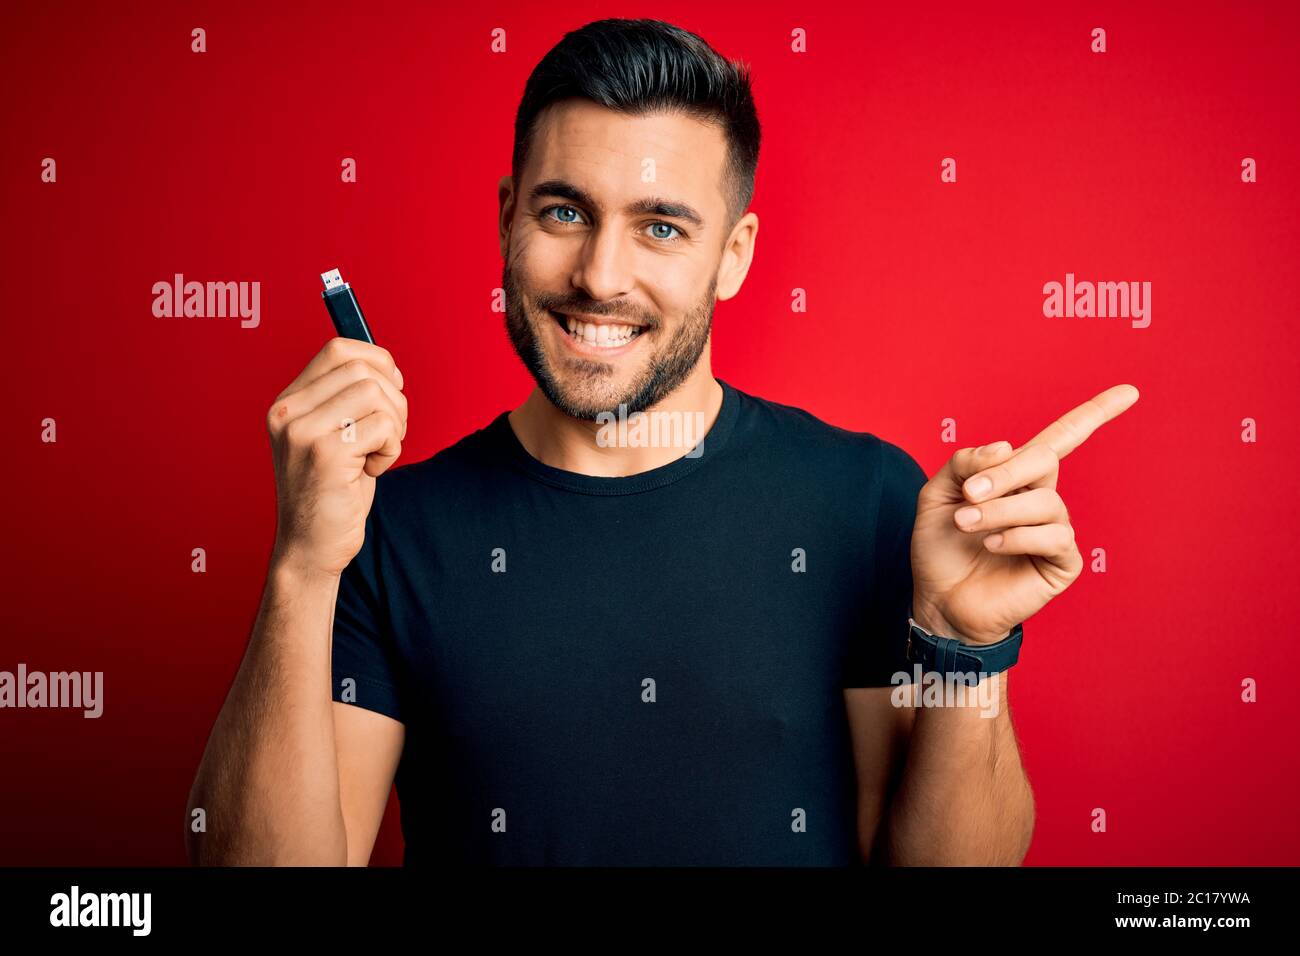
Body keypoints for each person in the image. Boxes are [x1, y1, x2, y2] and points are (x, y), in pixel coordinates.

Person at [186, 18, 1135, 866]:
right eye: (565, 213)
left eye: (661, 228)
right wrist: (303, 565)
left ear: (734, 256)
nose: (601, 275)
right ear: (507, 217)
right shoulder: (385, 531)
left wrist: (966, 650)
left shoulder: (867, 503)